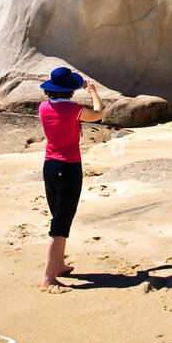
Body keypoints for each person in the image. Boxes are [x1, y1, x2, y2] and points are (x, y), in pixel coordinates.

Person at [38, 66, 102, 289]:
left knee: (58, 214)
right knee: (60, 224)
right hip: (69, 167)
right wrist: (92, 92)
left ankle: (59, 264)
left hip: (49, 166)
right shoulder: (74, 110)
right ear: (70, 90)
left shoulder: (43, 107)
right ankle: (48, 276)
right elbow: (98, 114)